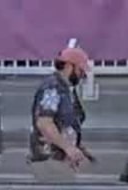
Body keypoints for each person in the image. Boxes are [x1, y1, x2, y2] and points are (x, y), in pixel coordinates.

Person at [28, 45, 91, 182]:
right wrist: (68, 148)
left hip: (60, 160)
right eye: (80, 70)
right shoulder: (53, 88)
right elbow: (44, 123)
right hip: (50, 160)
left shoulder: (65, 89)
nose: (82, 75)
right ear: (69, 66)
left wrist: (75, 148)